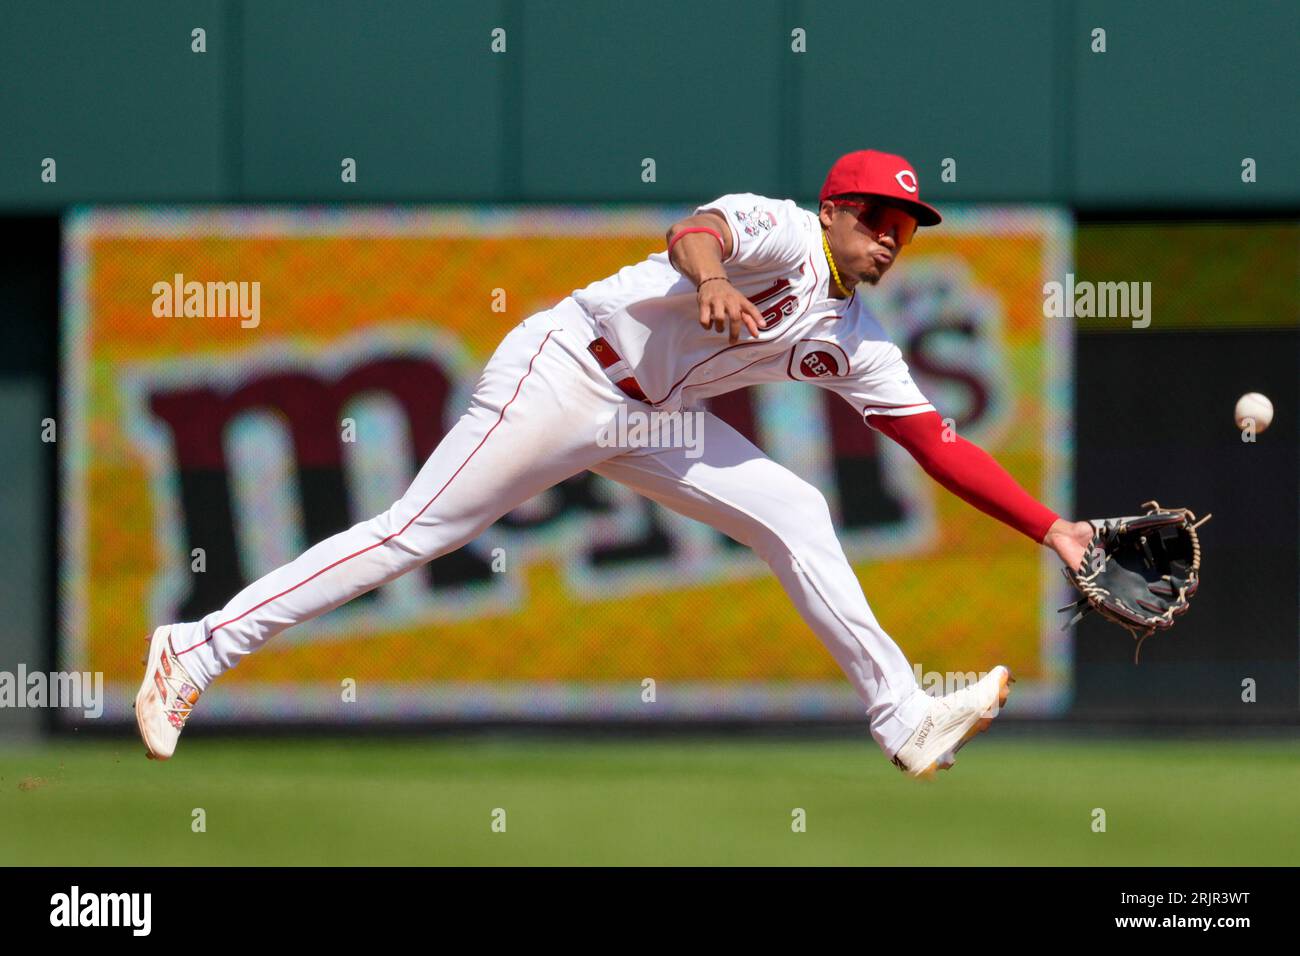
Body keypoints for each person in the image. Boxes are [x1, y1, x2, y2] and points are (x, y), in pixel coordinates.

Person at [135, 149, 1093, 777]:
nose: (893, 236)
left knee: (796, 508)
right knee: (410, 536)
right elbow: (695, 234)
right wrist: (714, 280)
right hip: (567, 370)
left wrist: (1053, 529)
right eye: (879, 215)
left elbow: (937, 443)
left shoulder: (862, 339)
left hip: (654, 419)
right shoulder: (784, 229)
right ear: (836, 207)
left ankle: (901, 716)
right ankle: (196, 648)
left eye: (908, 226)